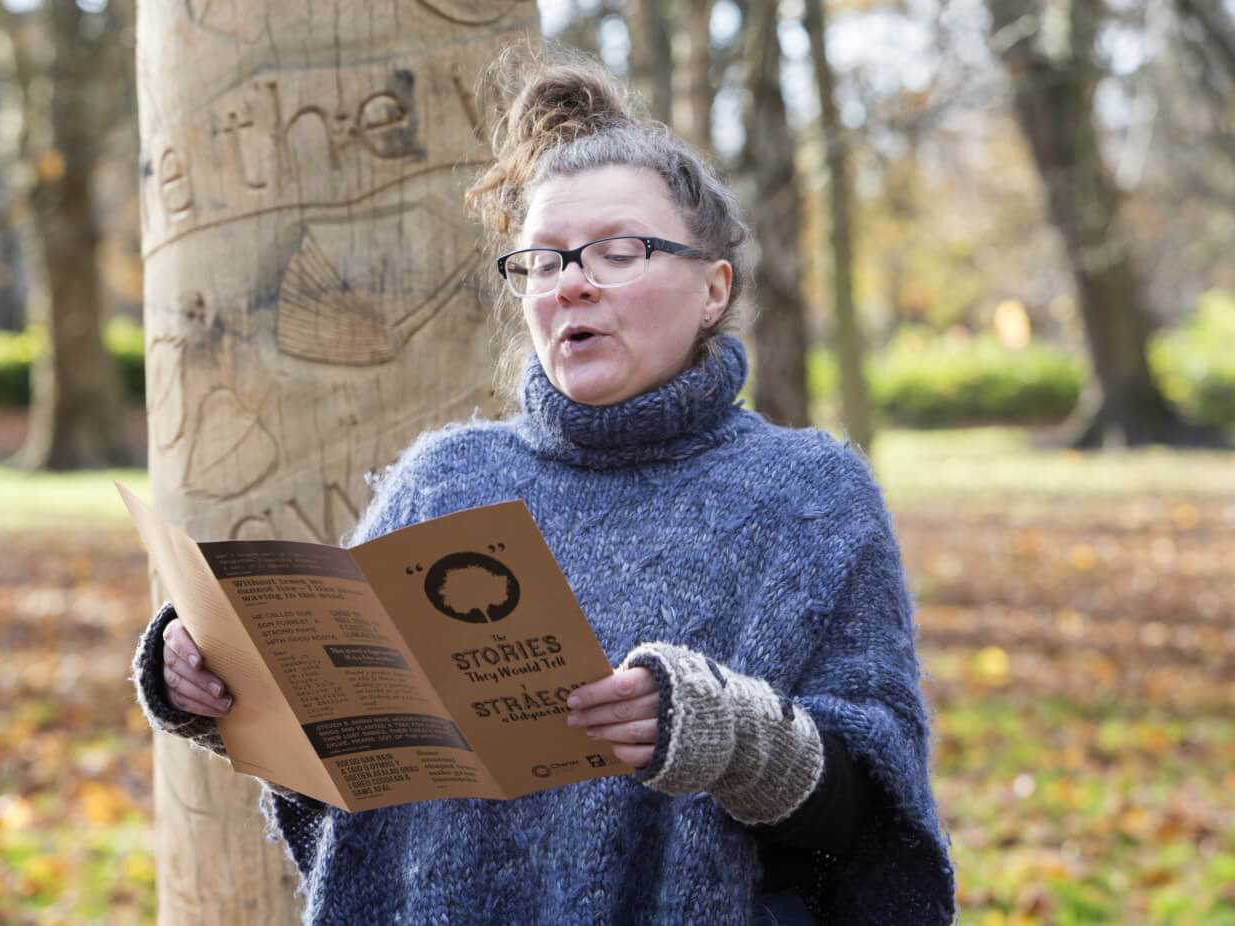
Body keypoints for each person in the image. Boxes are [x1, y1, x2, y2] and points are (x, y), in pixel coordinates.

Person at [131, 49, 955, 926]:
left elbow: (873, 812)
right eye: (544, 261)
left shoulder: (811, 494)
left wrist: (732, 735)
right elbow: (340, 727)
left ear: (714, 288)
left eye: (617, 251)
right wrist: (208, 674)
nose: (572, 284)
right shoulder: (445, 476)